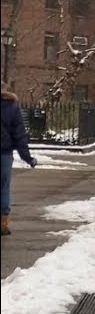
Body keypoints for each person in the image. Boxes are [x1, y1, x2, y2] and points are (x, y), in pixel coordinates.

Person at [1, 83, 38, 236]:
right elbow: (19, 134)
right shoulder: (12, 107)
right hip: (4, 153)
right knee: (3, 188)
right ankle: (3, 223)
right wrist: (28, 158)